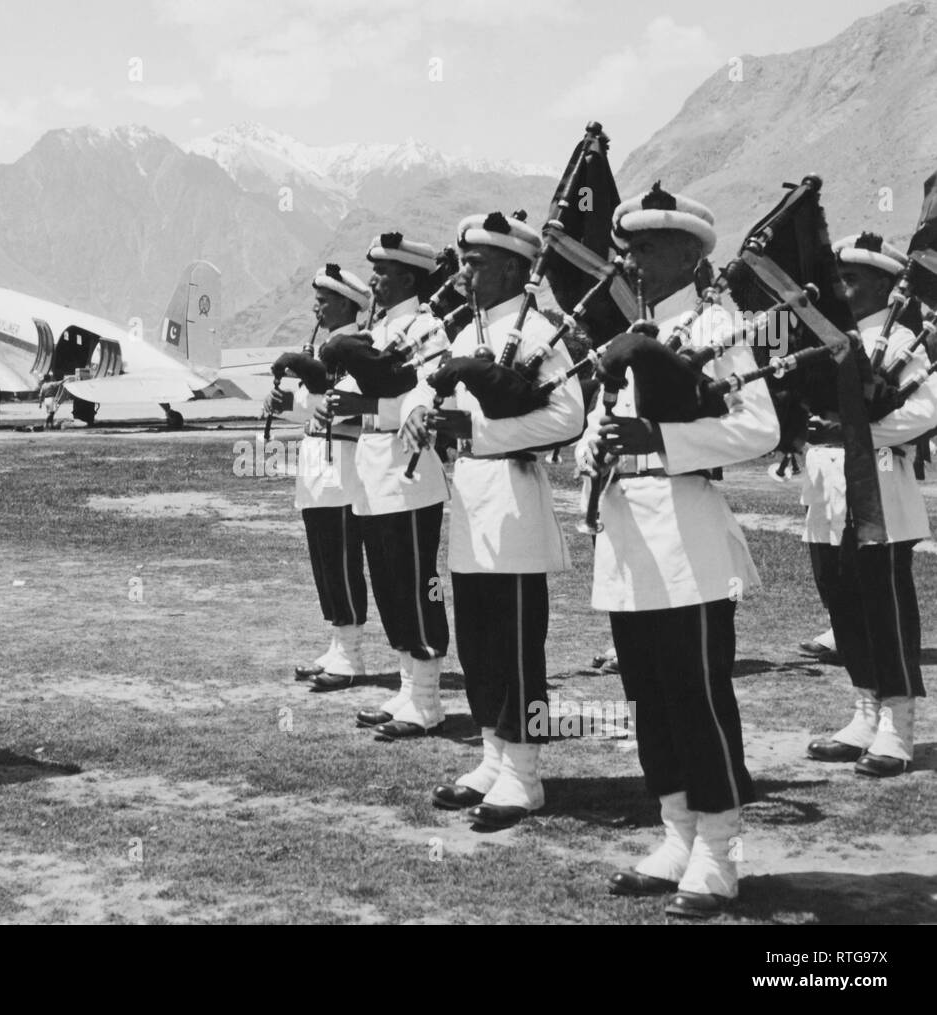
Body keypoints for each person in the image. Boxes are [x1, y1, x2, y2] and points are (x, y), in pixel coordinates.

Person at [576, 183, 777, 917]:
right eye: (628, 246)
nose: (632, 258)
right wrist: (589, 452)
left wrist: (664, 440)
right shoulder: (624, 332)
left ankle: (721, 852)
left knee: (698, 697)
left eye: (651, 246)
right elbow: (597, 428)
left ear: (691, 254)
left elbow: (760, 429)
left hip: (686, 536)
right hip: (628, 537)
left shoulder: (716, 327)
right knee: (649, 699)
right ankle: (676, 834)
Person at [401, 212, 586, 828]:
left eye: (477, 264)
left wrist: (478, 430)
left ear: (512, 267)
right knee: (478, 640)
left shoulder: (542, 333)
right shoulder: (463, 334)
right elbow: (438, 397)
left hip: (513, 495)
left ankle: (525, 774)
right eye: (463, 261)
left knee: (516, 643)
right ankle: (492, 757)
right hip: (471, 499)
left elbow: (567, 419)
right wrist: (422, 418)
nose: (465, 274)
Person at [804, 233, 935, 777]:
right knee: (843, 603)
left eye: (852, 278)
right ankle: (864, 712)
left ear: (884, 284)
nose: (841, 287)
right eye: (839, 277)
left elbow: (924, 411)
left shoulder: (907, 339)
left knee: (885, 607)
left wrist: (857, 428)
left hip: (879, 484)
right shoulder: (827, 335)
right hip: (826, 489)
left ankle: (897, 728)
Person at [334, 232, 451, 739]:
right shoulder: (378, 328)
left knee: (414, 580)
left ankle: (428, 698)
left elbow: (427, 390)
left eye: (382, 271)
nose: (374, 279)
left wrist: (367, 407)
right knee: (386, 581)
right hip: (373, 463)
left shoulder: (427, 327)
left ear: (407, 276)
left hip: (409, 466)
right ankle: (407, 686)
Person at [268, 264, 372, 687]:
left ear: (347, 304)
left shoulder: (361, 347)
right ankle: (337, 643)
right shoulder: (328, 346)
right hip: (317, 465)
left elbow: (356, 408)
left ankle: (352, 654)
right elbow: (316, 407)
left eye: (325, 300)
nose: (317, 306)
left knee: (343, 559)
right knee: (324, 560)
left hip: (344, 465)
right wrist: (284, 404)